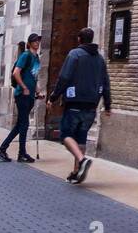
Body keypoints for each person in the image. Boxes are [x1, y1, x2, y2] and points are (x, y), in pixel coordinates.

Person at [47, 27, 111, 185]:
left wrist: (53, 97)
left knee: (65, 135)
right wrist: (108, 105)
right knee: (80, 138)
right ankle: (76, 172)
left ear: (79, 39)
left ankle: (81, 161)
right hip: (91, 106)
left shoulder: (74, 54)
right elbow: (106, 83)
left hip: (74, 102)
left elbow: (64, 77)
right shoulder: (100, 59)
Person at [0, 33, 41, 164]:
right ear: (30, 43)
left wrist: (38, 91)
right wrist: (24, 87)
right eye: (35, 40)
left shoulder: (36, 57)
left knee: (20, 124)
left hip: (30, 94)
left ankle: (4, 149)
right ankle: (20, 153)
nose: (37, 42)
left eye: (38, 40)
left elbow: (34, 77)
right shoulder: (26, 55)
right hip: (22, 94)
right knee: (24, 124)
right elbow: (16, 72)